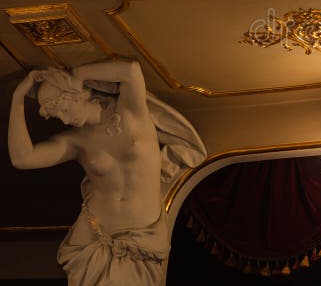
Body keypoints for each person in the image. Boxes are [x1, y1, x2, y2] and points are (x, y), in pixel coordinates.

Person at [8, 60, 206, 286]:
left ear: (78, 94)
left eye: (63, 108)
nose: (63, 119)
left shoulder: (130, 113)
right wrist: (17, 97)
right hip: (94, 235)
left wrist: (77, 74)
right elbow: (22, 159)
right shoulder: (75, 142)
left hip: (139, 240)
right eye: (56, 115)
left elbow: (131, 71)